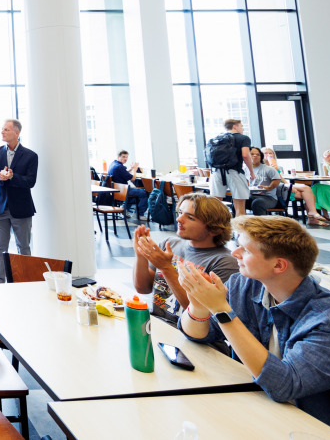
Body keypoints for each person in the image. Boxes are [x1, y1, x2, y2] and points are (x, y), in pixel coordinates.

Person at [177, 215, 330, 438]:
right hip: (259, 410)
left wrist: (221, 311)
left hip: (321, 429)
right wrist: (198, 306)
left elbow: (285, 385)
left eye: (245, 249)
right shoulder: (244, 285)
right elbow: (200, 335)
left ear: (279, 265)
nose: (235, 253)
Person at [132, 193, 238, 324]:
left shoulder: (225, 262)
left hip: (192, 336)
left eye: (190, 217)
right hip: (159, 324)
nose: (178, 219)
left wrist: (166, 268)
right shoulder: (170, 244)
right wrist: (141, 255)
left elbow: (201, 314)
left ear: (214, 229)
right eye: (180, 213)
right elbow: (143, 289)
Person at [0, 119, 38, 282]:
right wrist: (0, 177)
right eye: (2, 129)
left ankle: (25, 280)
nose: (2, 132)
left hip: (21, 208)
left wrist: (12, 177)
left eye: (6, 130)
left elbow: (30, 181)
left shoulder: (31, 156)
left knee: (23, 247)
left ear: (17, 133)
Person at [207, 119, 254, 217]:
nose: (242, 129)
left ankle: (216, 230)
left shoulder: (216, 138)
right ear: (234, 126)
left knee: (215, 205)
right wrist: (251, 172)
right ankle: (239, 231)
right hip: (234, 171)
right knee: (239, 207)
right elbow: (245, 155)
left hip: (216, 172)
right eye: (241, 126)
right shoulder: (243, 138)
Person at [107, 150, 148, 216]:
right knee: (144, 193)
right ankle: (139, 214)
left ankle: (124, 208)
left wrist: (131, 169)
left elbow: (124, 172)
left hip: (117, 189)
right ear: (118, 157)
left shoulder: (113, 164)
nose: (125, 159)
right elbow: (132, 179)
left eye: (126, 157)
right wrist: (134, 169)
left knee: (134, 191)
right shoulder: (119, 167)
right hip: (122, 190)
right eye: (123, 157)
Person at [246, 147, 283, 215]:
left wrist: (269, 187)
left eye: (258, 154)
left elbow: (277, 179)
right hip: (252, 195)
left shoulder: (269, 169)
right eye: (252, 154)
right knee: (238, 200)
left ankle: (261, 225)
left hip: (268, 197)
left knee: (257, 203)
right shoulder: (245, 169)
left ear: (261, 157)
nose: (255, 156)